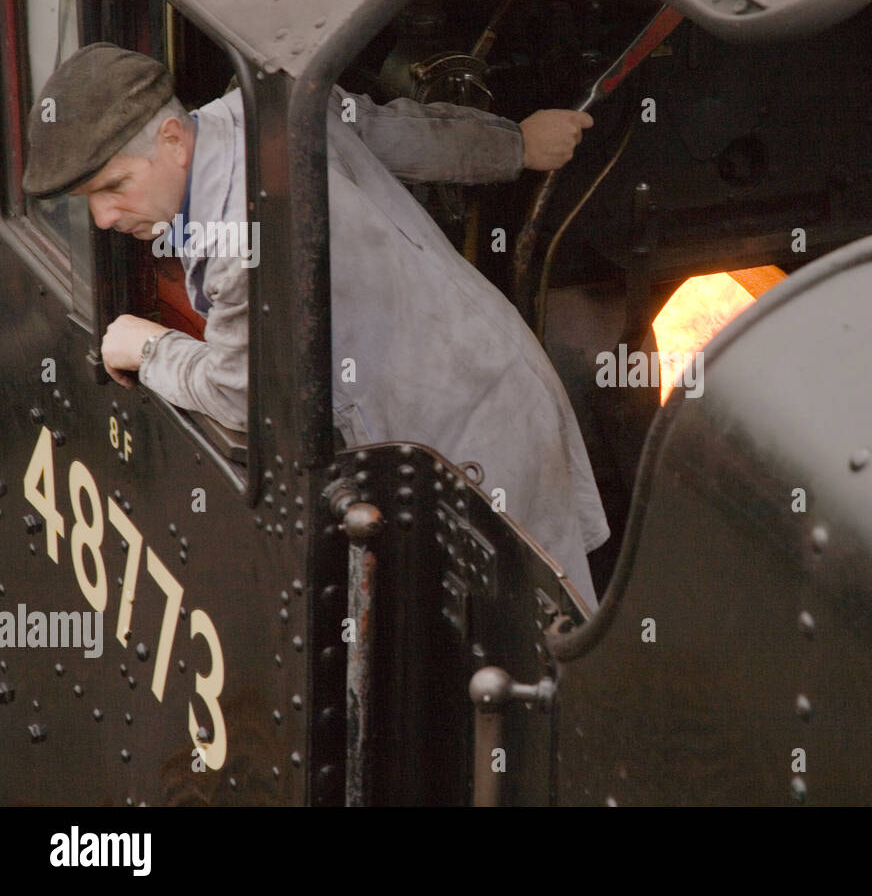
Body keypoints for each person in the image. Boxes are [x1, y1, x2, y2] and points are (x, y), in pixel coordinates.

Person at [22, 42, 609, 607]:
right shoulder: (257, 110)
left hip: (470, 445)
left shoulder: (243, 244)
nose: (102, 218)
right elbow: (389, 131)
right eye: (88, 198)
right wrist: (514, 146)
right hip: (497, 364)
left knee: (527, 645)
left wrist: (149, 348)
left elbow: (237, 396)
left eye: (113, 187)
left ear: (173, 139)